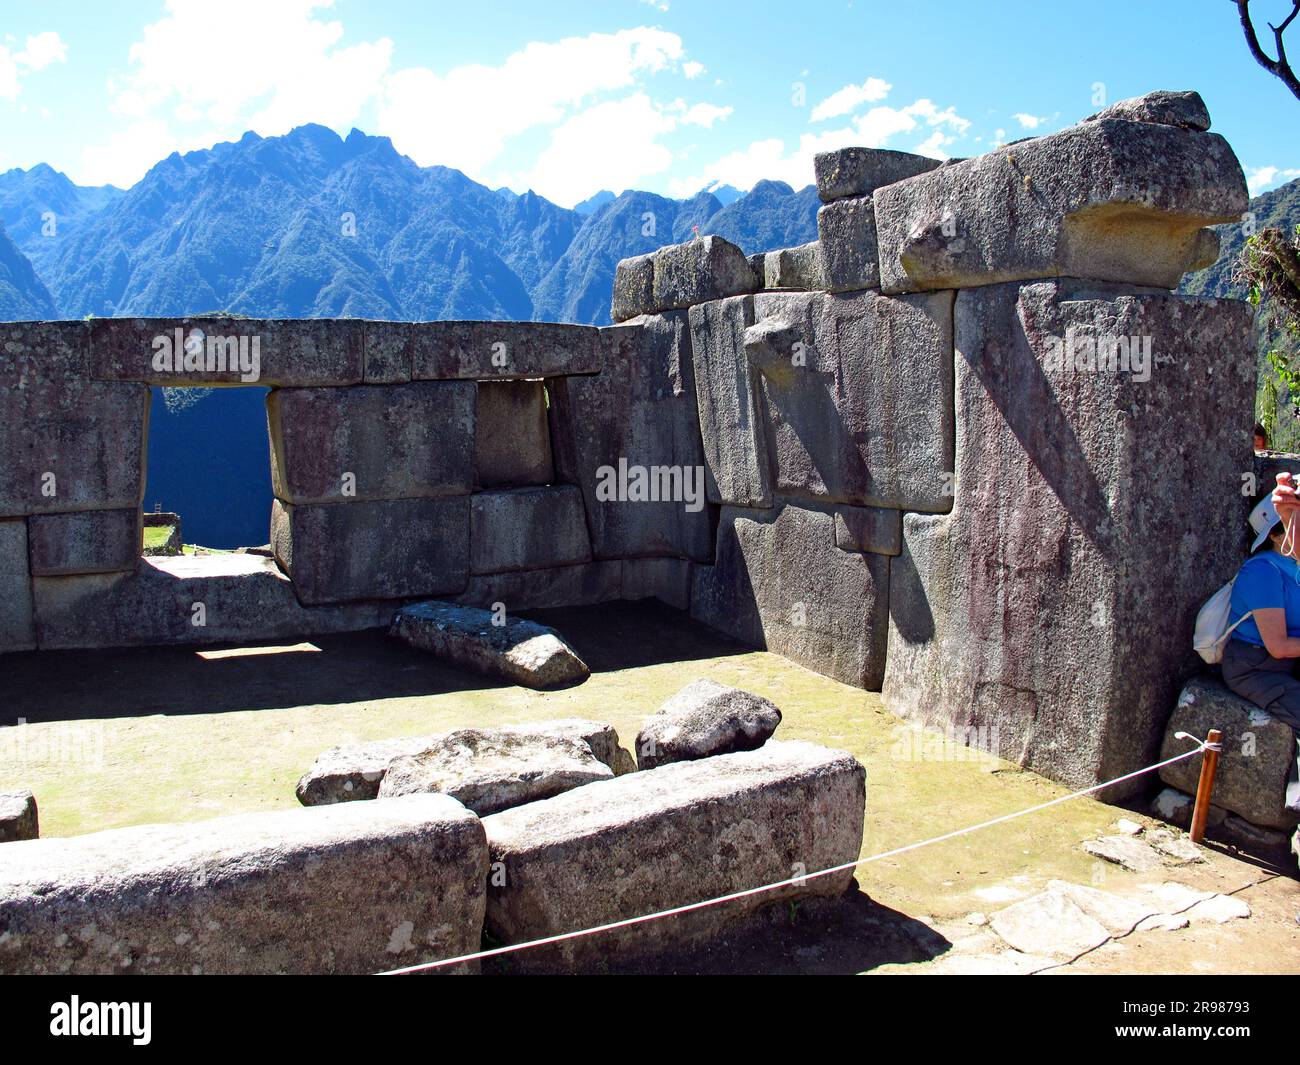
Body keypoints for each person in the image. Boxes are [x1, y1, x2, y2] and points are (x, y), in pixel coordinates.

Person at [1220, 474, 1300, 816]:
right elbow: (1279, 645)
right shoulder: (1263, 572)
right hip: (1255, 668)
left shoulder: (1293, 568)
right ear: (1276, 535)